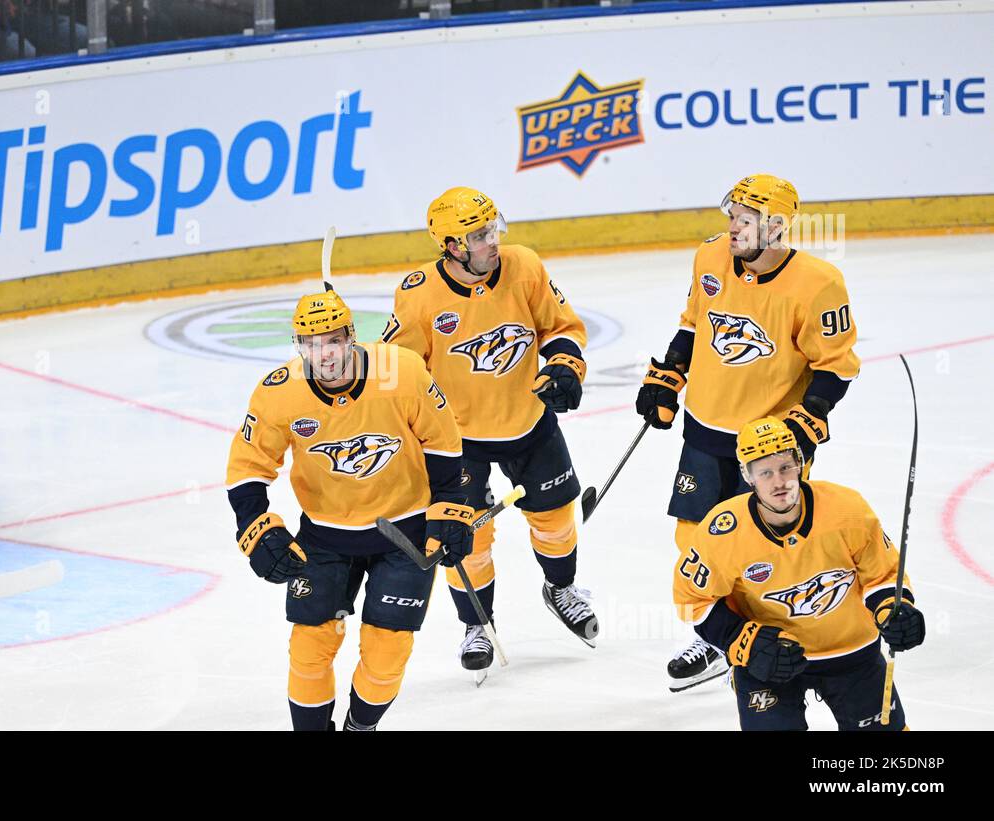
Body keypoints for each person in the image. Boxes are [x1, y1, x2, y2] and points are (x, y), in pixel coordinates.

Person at [637, 174, 861, 691]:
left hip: (768, 446)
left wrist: (810, 417)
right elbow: (695, 324)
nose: (731, 227)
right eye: (731, 216)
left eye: (745, 219)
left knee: (763, 545)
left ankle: (763, 637)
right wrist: (669, 374)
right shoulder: (710, 257)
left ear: (777, 227)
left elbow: (836, 365)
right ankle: (721, 637)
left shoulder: (818, 283)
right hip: (704, 429)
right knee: (694, 538)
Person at [225, 288, 470, 730]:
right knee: (309, 647)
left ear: (352, 336)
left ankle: (361, 726)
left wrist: (450, 508)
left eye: (334, 341)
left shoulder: (401, 371)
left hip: (405, 535)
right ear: (299, 348)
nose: (326, 355)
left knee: (387, 652)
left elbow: (444, 442)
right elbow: (247, 467)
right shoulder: (278, 393)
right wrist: (256, 528)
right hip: (324, 537)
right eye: (313, 345)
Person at [383, 186, 597, 675]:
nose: (492, 241)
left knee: (558, 520)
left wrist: (565, 364)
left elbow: (560, 326)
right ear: (453, 246)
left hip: (529, 421)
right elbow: (401, 370)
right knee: (469, 541)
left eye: (492, 228)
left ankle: (561, 589)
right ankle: (478, 623)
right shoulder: (419, 295)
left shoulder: (524, 265)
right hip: (458, 441)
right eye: (479, 235)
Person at [673, 418, 923, 730]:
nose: (778, 481)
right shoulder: (723, 531)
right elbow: (690, 601)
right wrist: (742, 640)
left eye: (785, 467)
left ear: (801, 464)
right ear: (747, 475)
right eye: (764, 471)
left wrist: (894, 610)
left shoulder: (847, 509)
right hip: (770, 662)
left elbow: (882, 575)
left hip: (852, 654)